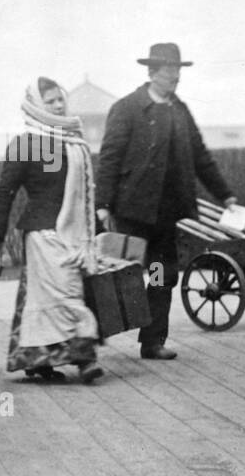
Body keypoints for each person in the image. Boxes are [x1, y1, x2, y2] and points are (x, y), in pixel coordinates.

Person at [95, 43, 236, 360]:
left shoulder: (180, 110)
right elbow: (109, 158)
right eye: (170, 71)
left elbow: (201, 157)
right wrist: (103, 204)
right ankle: (98, 334)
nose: (176, 77)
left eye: (178, 71)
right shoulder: (127, 108)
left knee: (162, 274)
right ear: (152, 72)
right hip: (132, 211)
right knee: (122, 273)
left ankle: (152, 341)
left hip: (167, 215)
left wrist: (225, 194)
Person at [0, 78, 104, 384]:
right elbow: (4, 195)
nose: (59, 106)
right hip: (43, 236)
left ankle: (37, 359)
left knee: (46, 298)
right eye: (50, 102)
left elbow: (84, 195)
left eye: (60, 99)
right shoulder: (25, 145)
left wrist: (98, 232)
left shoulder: (73, 141)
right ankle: (85, 358)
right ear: (36, 105)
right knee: (68, 296)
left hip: (75, 236)